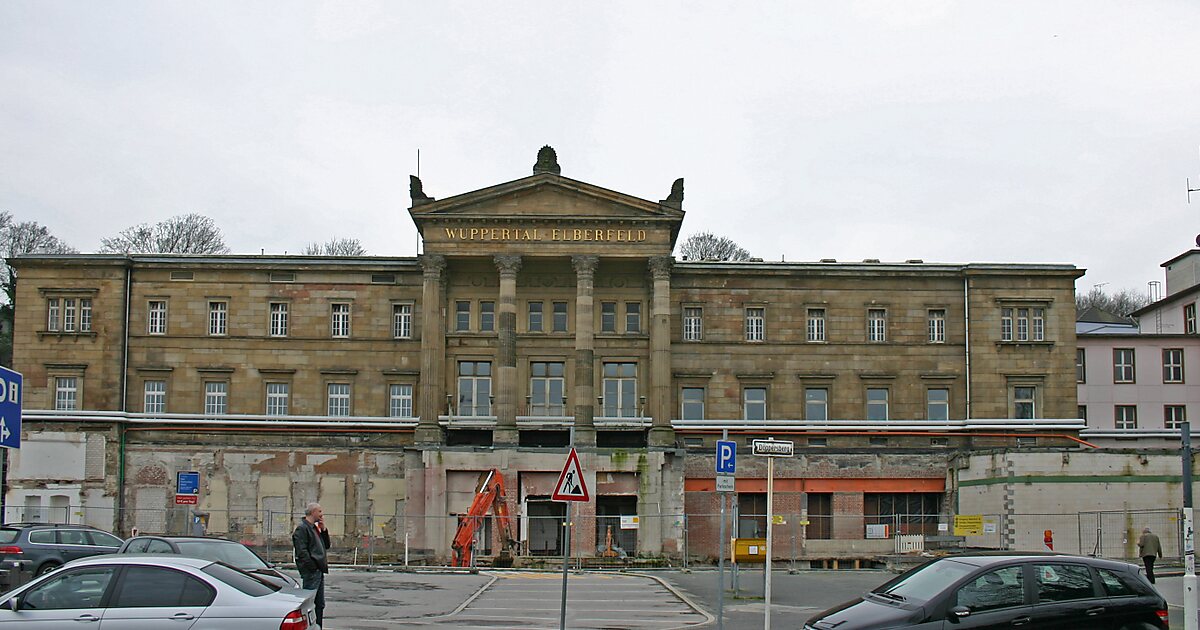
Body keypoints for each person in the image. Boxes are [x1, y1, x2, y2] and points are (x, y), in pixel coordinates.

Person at [293, 502, 331, 625]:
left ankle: (318, 626)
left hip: (318, 571)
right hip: (312, 572)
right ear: (313, 512)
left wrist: (324, 530)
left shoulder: (315, 528)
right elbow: (301, 551)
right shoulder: (303, 528)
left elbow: (326, 545)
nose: (321, 514)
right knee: (310, 604)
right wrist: (312, 567)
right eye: (319, 511)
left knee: (319, 604)